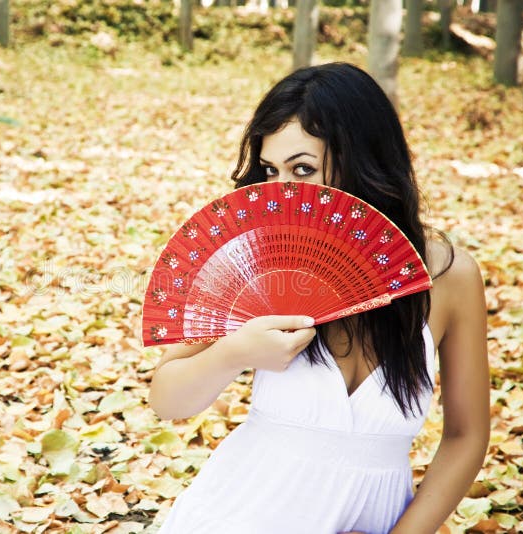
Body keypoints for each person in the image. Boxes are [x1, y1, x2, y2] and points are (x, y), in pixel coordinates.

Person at [147, 63, 490, 534]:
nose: (280, 191)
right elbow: (168, 401)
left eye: (302, 169)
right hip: (239, 515)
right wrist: (236, 352)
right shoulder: (254, 259)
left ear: (364, 161)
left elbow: (467, 437)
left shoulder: (450, 276)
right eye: (271, 170)